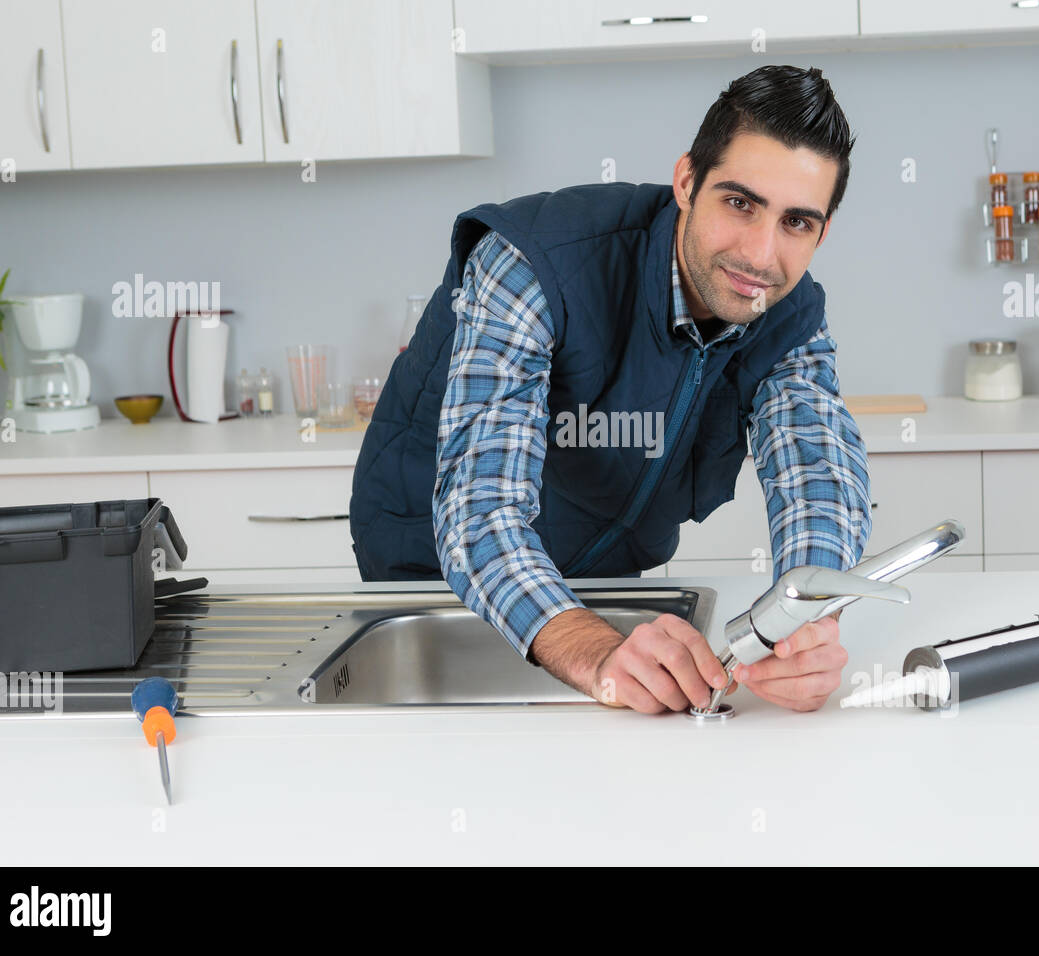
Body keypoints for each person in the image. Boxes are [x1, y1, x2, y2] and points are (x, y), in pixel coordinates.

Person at [350, 65, 871, 714]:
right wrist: (594, 652)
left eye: (797, 223)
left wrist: (809, 618)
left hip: (603, 582)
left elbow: (815, 469)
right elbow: (480, 515)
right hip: (431, 589)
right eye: (740, 203)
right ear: (687, 181)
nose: (761, 255)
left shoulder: (790, 311)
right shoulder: (533, 262)